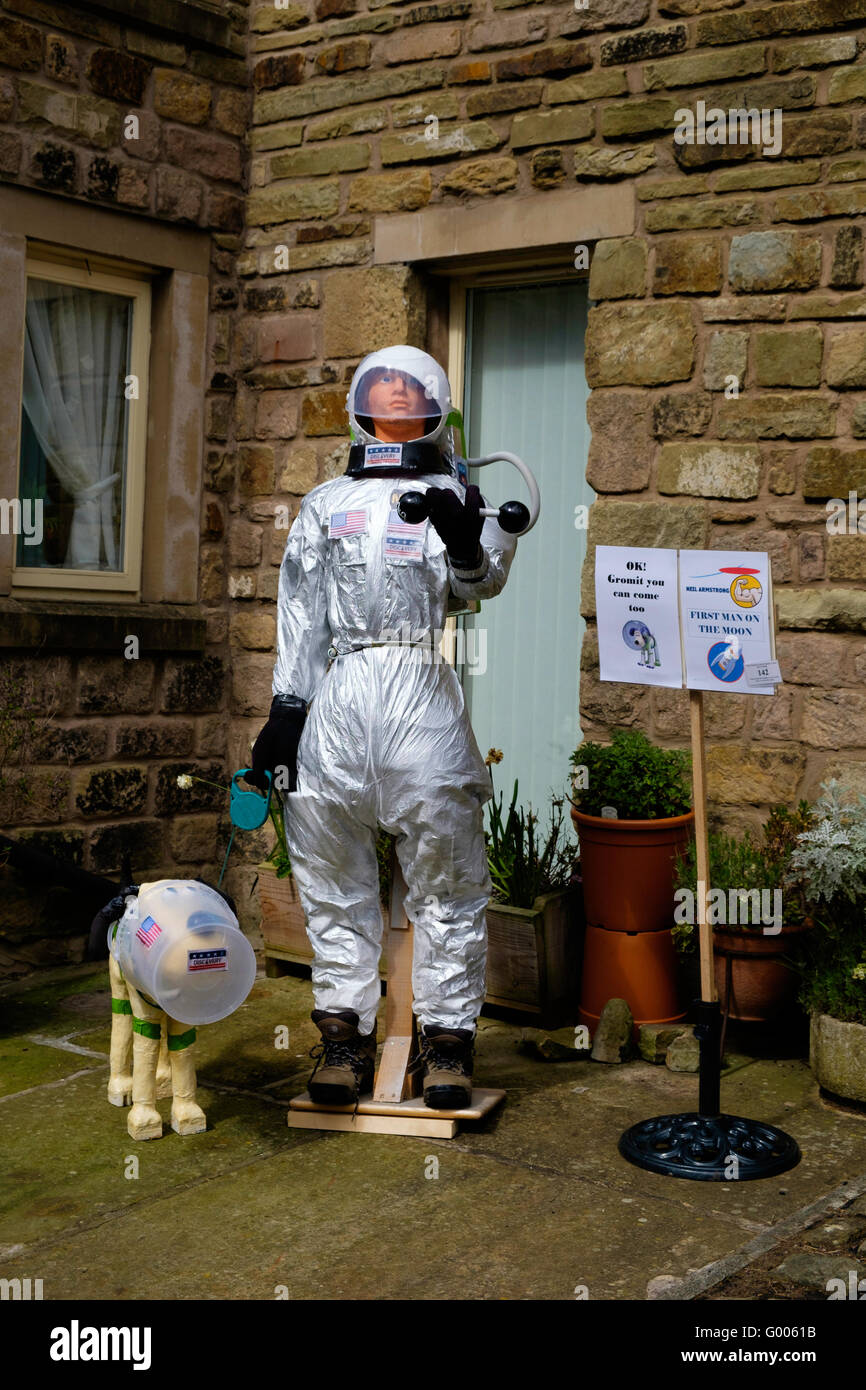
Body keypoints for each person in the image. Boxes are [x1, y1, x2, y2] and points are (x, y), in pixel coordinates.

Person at [249, 345, 518, 1109]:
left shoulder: (458, 495)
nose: (396, 399)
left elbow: (483, 583)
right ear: (362, 406)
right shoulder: (328, 503)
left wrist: (463, 539)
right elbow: (300, 614)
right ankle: (342, 1041)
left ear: (433, 405)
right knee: (331, 873)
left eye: (410, 390)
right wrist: (284, 713)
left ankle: (446, 1048)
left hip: (417, 684)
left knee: (448, 874)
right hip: (340, 691)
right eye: (384, 389)